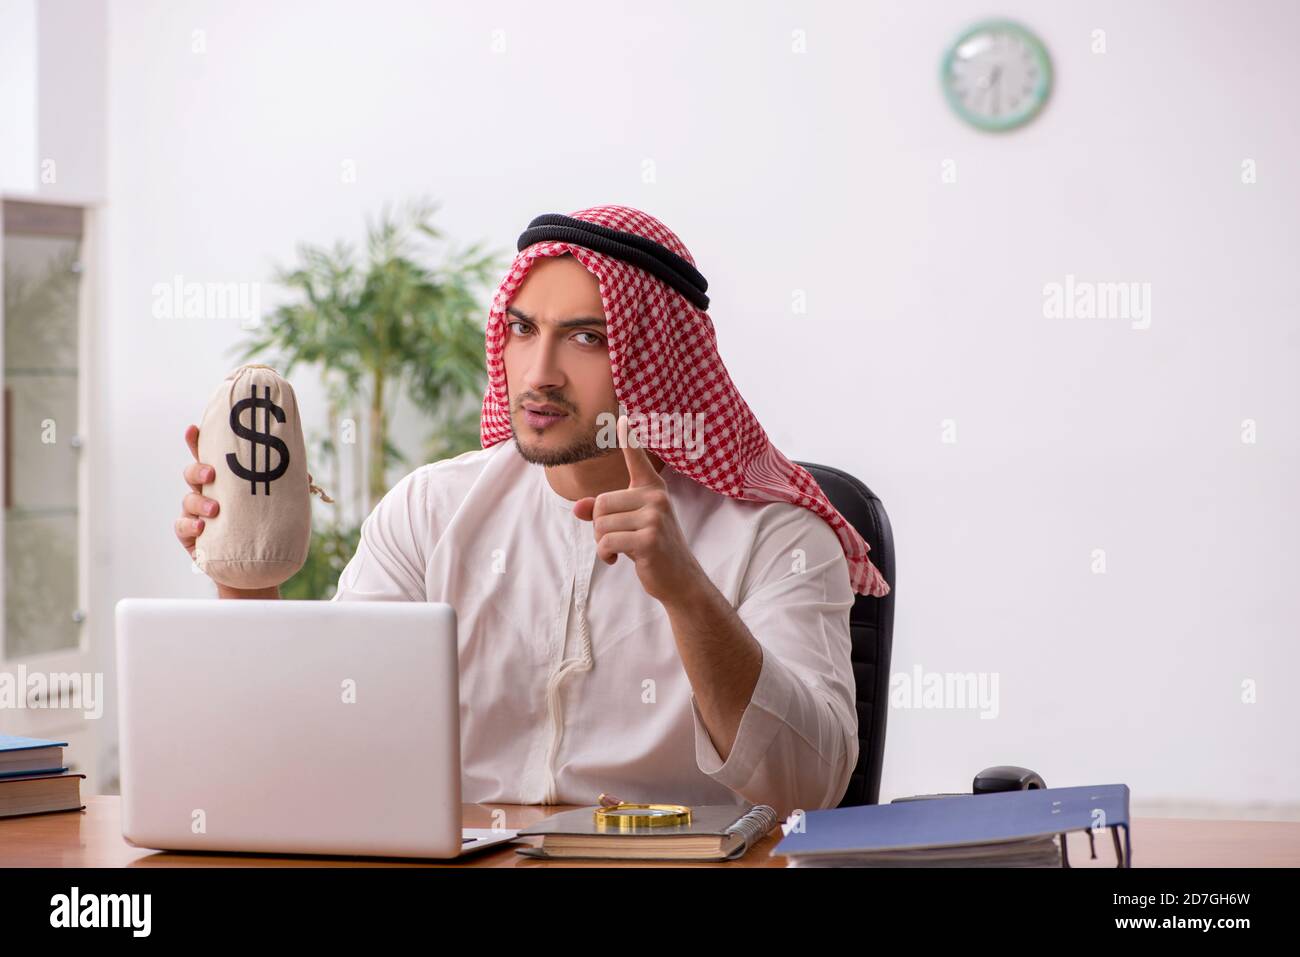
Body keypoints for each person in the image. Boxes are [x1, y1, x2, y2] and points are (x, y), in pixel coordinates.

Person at [176, 205, 889, 818]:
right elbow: (327, 735)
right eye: (522, 330)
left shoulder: (777, 536)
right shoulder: (432, 511)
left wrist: (686, 591)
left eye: (587, 338)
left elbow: (809, 787)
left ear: (656, 357)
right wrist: (245, 577)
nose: (539, 371)